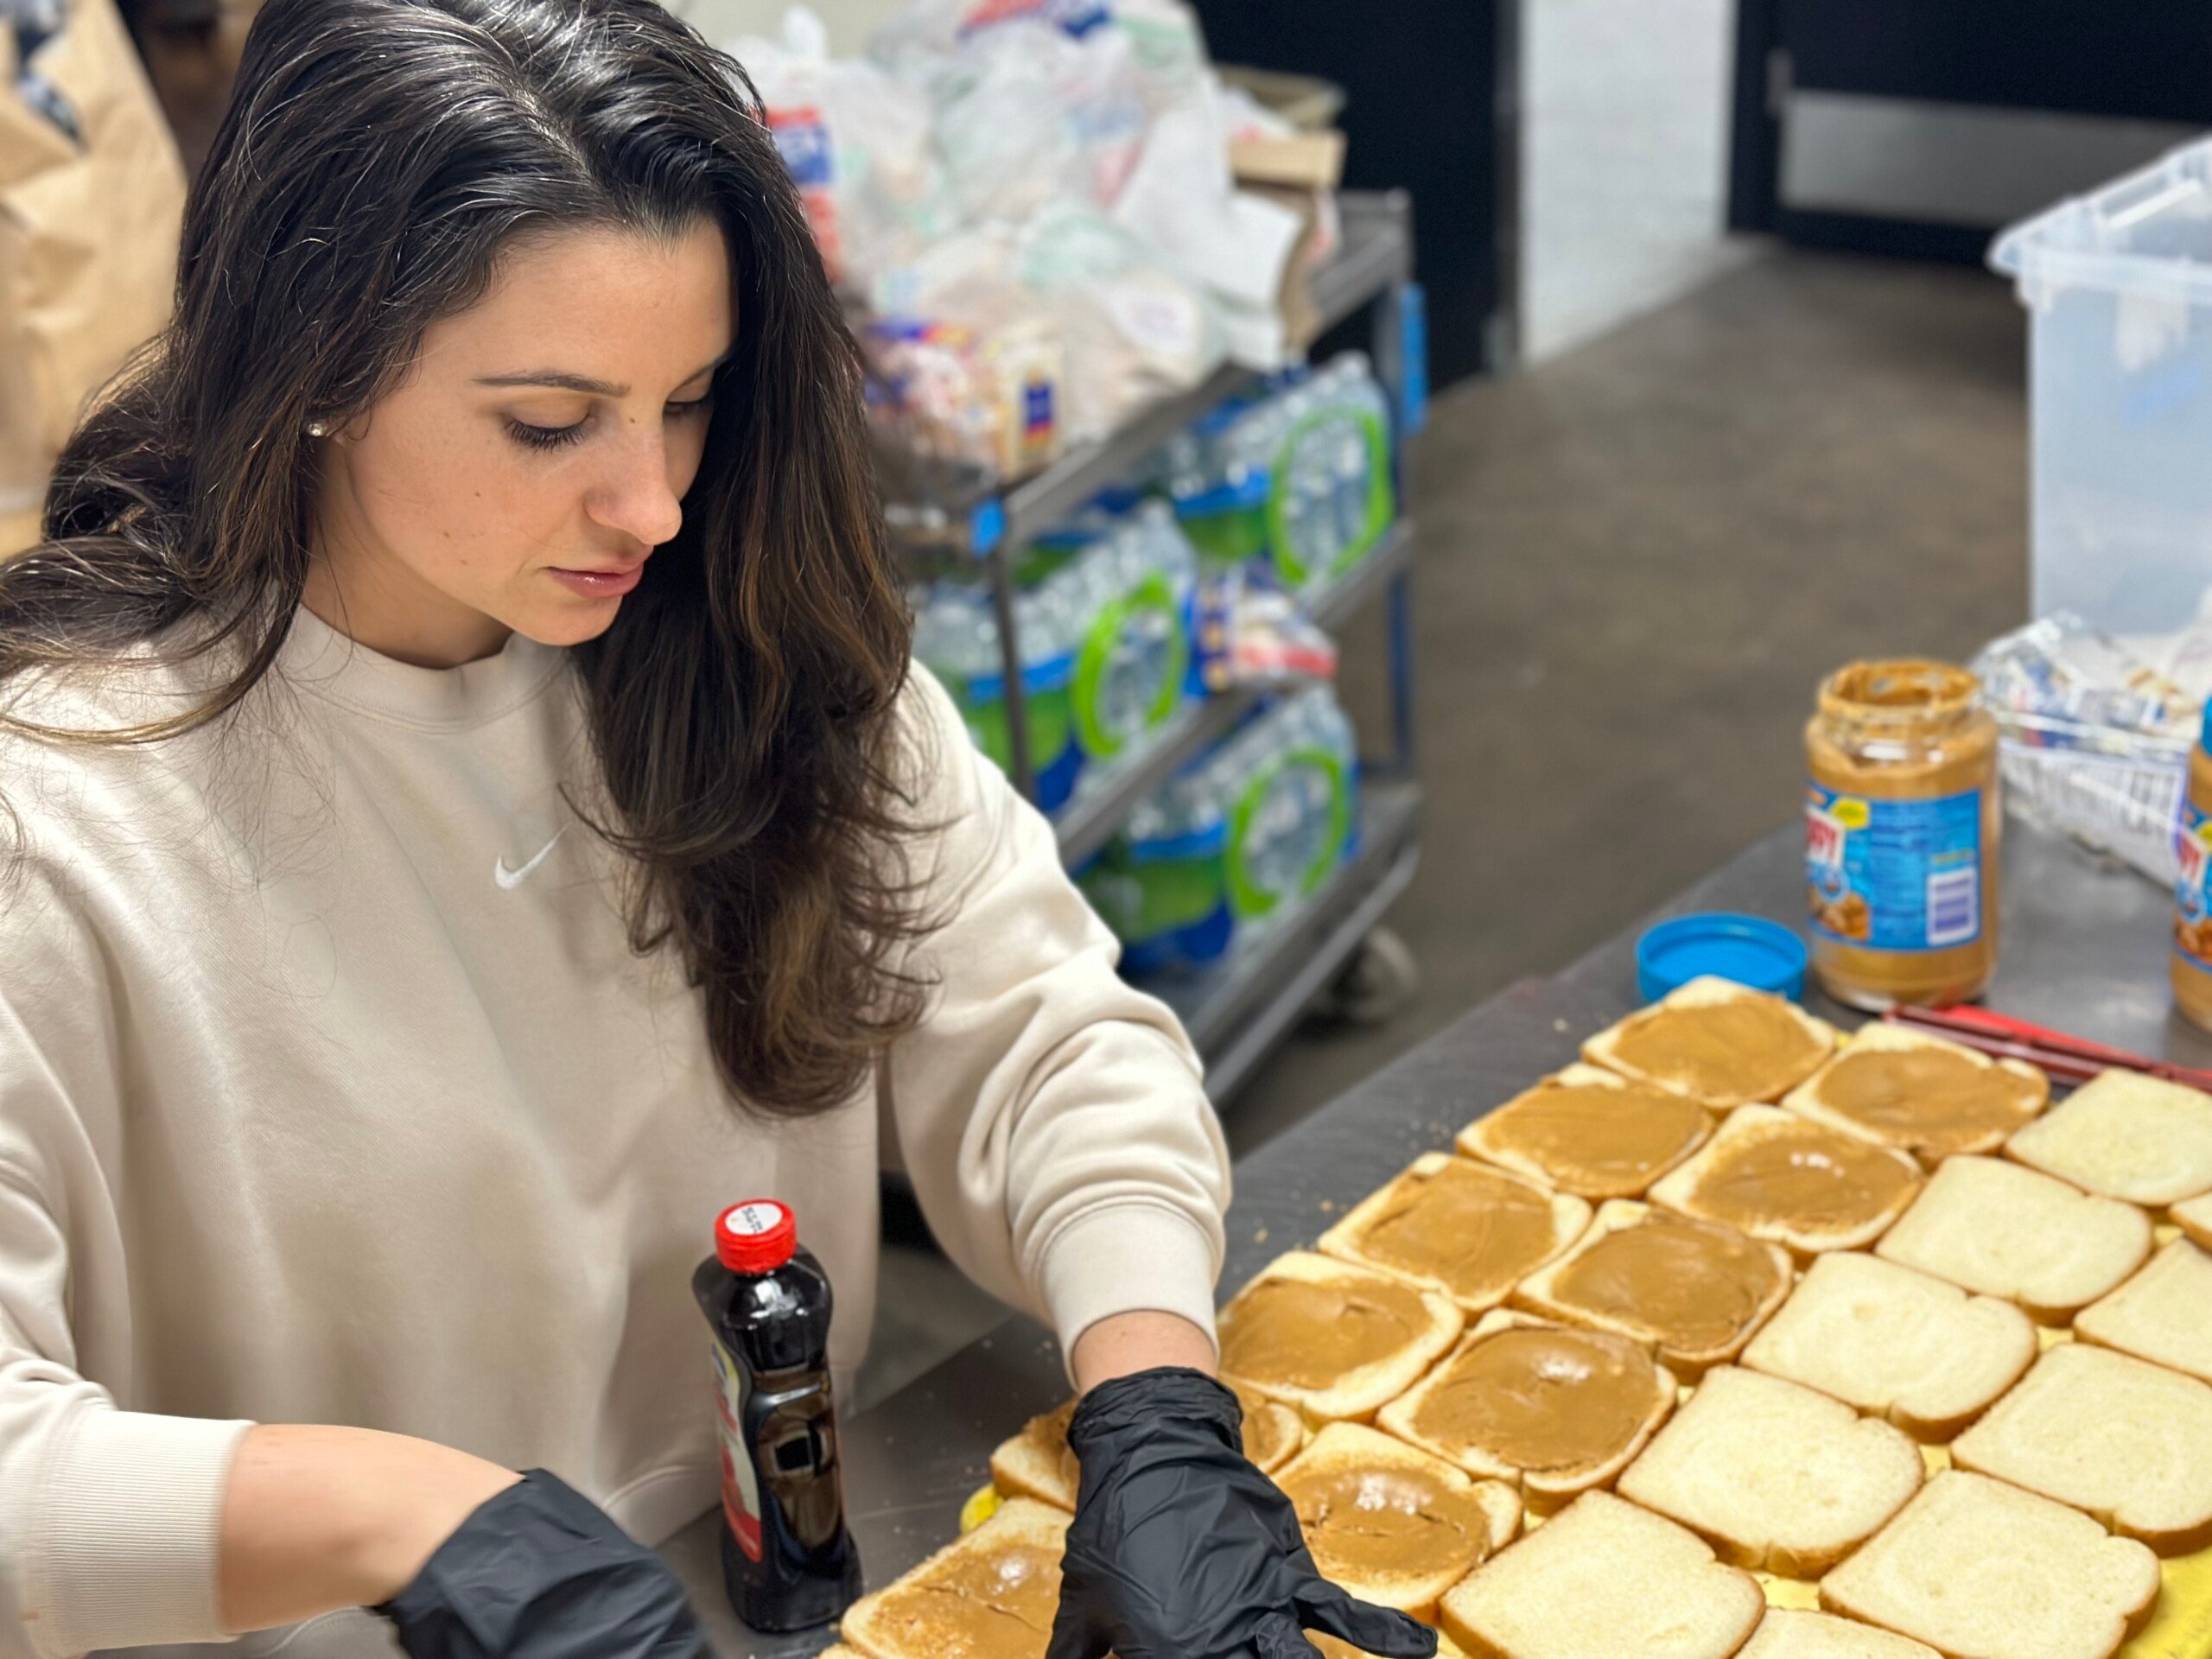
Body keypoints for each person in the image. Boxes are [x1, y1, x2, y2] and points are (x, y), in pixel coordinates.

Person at [0, 4, 1440, 1659]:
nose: (654, 504)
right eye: (550, 423)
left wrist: (1157, 1405)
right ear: (309, 362)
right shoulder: (64, 822)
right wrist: (420, 1526)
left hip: (772, 1598)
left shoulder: (740, 642)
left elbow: (1051, 1048)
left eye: (689, 400)